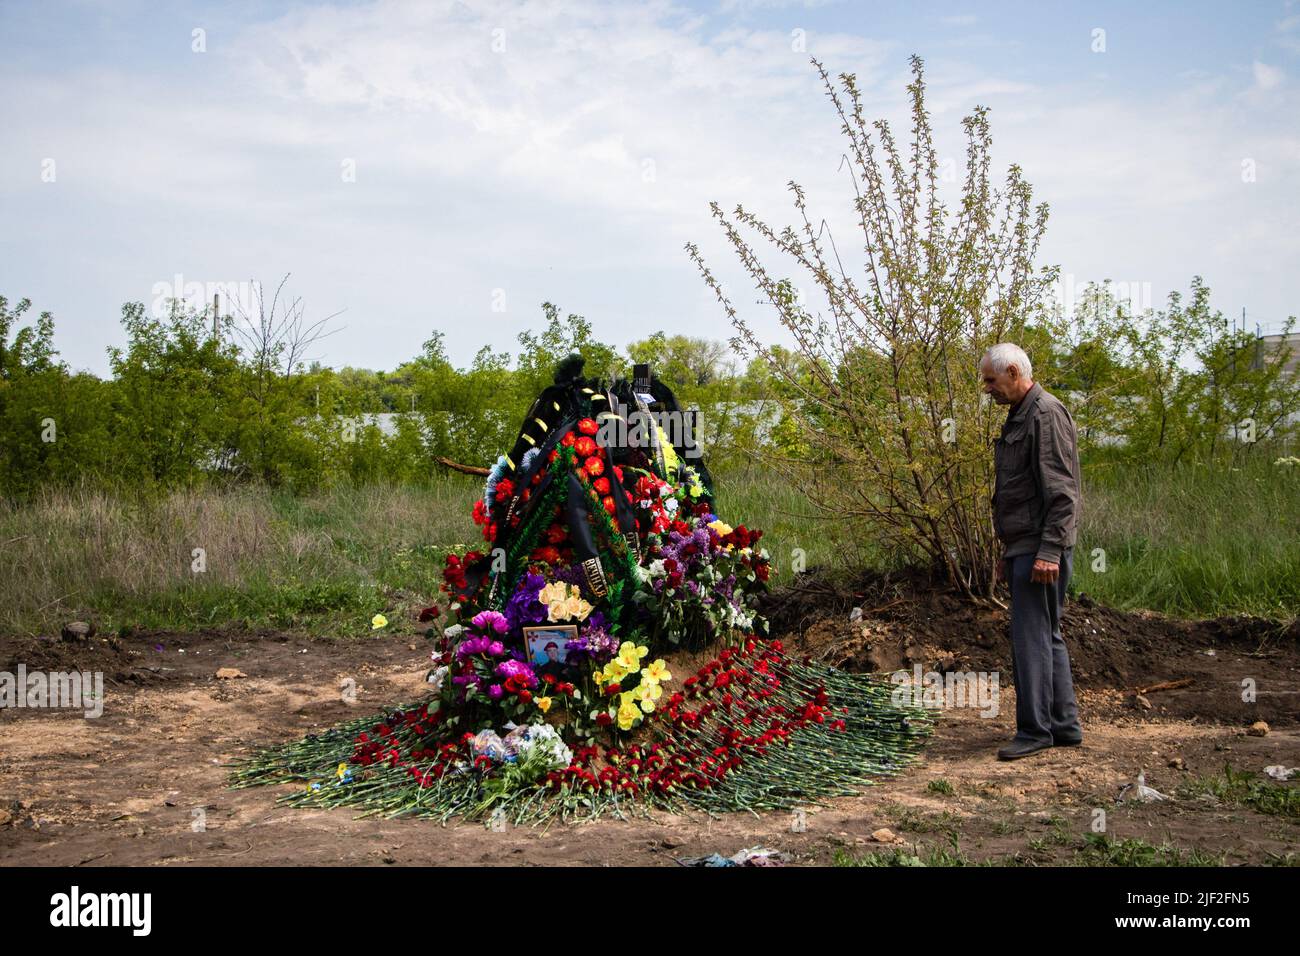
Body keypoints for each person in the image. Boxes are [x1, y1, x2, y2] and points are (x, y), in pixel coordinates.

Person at [980, 343, 1084, 760]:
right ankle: (1064, 725)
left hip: (1042, 548)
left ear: (1012, 371)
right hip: (1027, 546)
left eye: (991, 380)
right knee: (1046, 635)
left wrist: (1048, 552)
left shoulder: (1044, 414)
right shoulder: (1022, 414)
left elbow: (1063, 493)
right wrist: (1013, 553)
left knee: (1031, 640)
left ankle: (1035, 731)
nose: (987, 389)